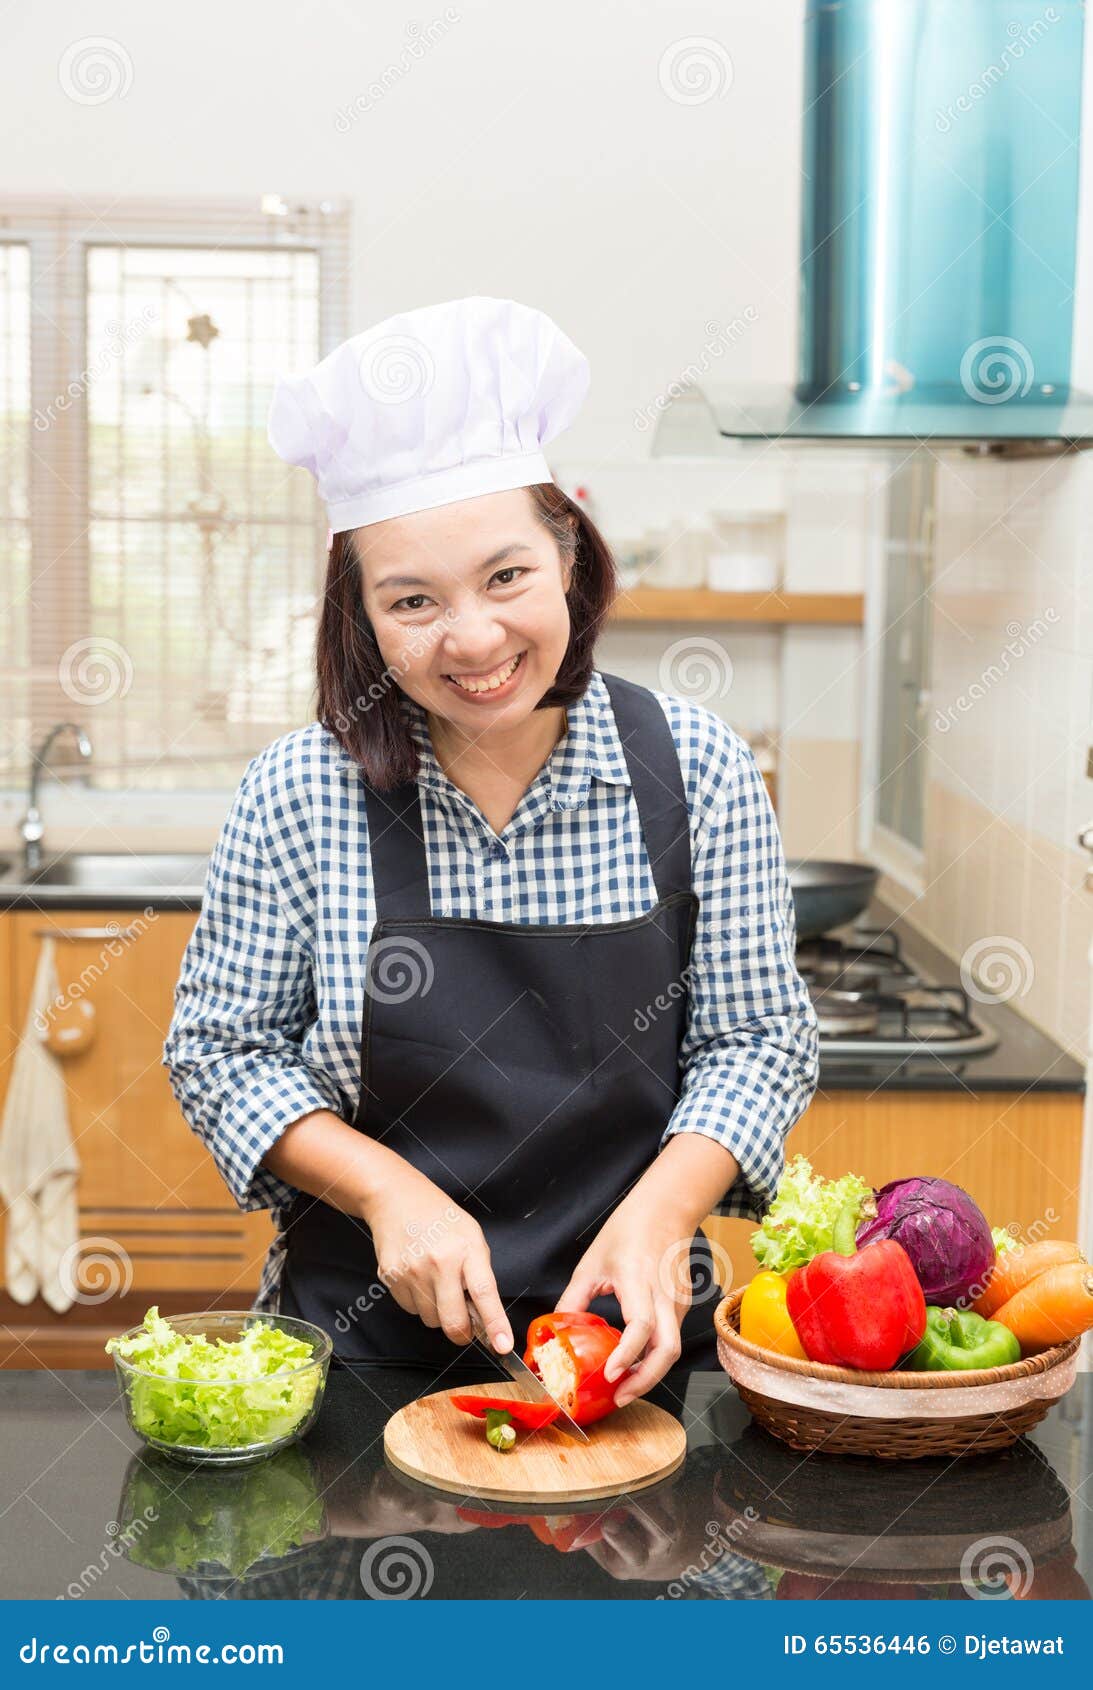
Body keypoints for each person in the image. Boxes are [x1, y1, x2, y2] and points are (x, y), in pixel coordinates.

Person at [163, 296, 819, 1403]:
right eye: (412, 599)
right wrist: (383, 1192)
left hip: (638, 1346)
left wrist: (660, 1215)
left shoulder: (695, 770)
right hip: (362, 1351)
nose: (471, 640)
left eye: (505, 576)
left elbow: (758, 1039)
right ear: (361, 614)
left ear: (567, 552)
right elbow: (219, 1052)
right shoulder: (299, 790)